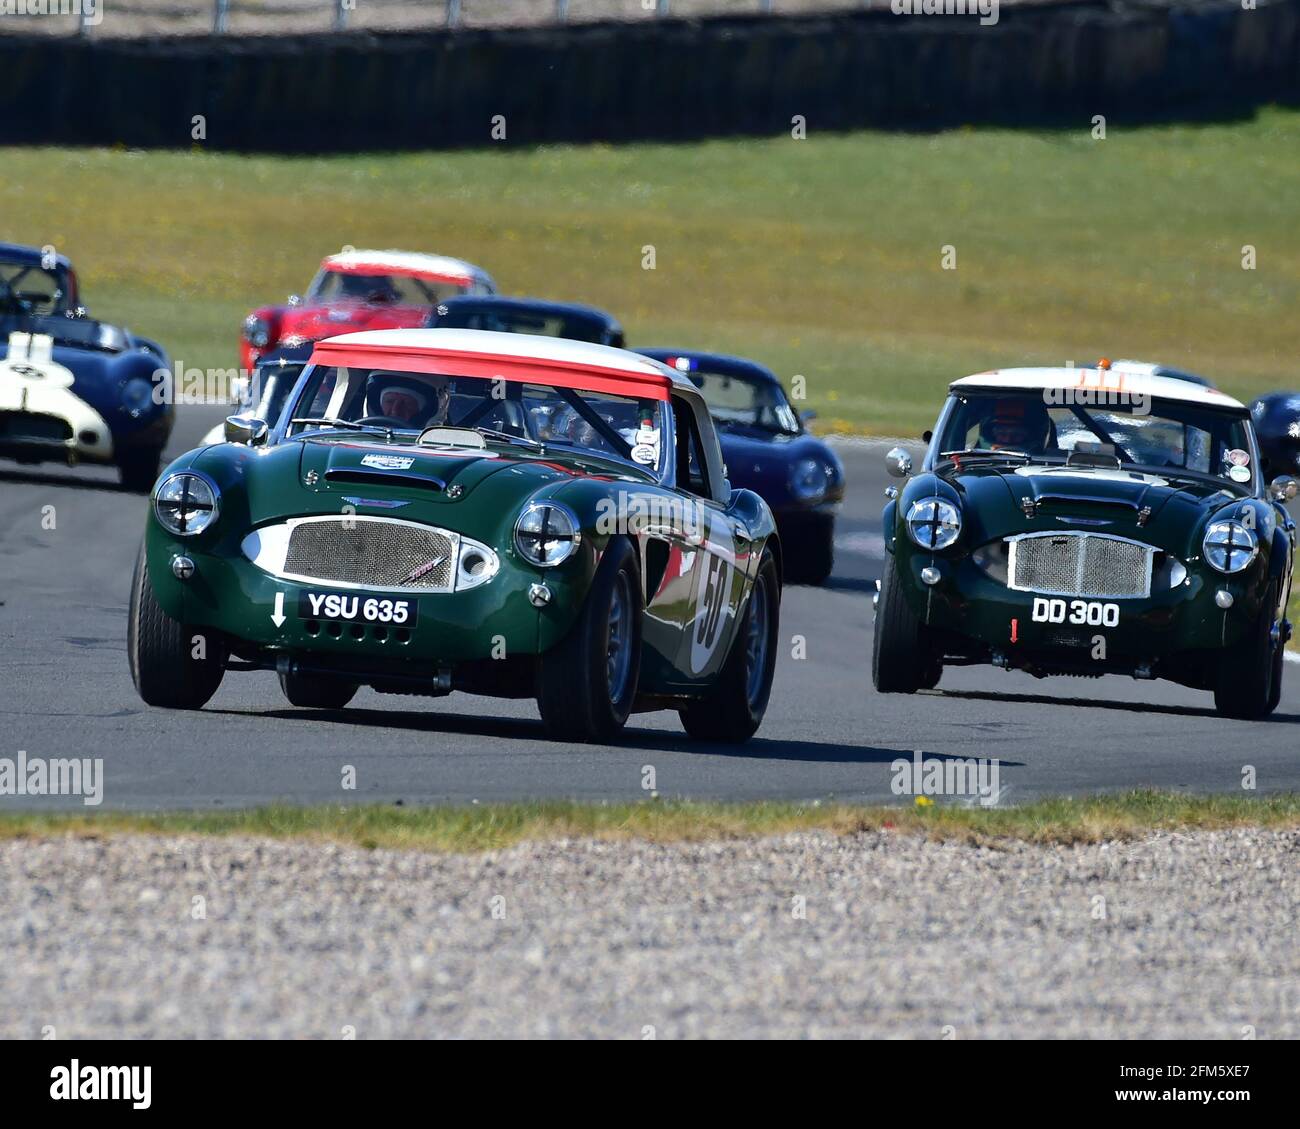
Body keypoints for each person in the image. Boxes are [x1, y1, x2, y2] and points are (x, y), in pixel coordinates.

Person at [364, 373, 451, 429]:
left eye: (406, 403)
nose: (395, 410)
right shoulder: (363, 438)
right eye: (389, 401)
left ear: (426, 411)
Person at [978, 397, 1053, 453]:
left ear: (1031, 435)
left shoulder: (1053, 463)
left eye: (1017, 434)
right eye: (1002, 434)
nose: (1008, 440)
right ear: (992, 435)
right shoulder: (976, 457)